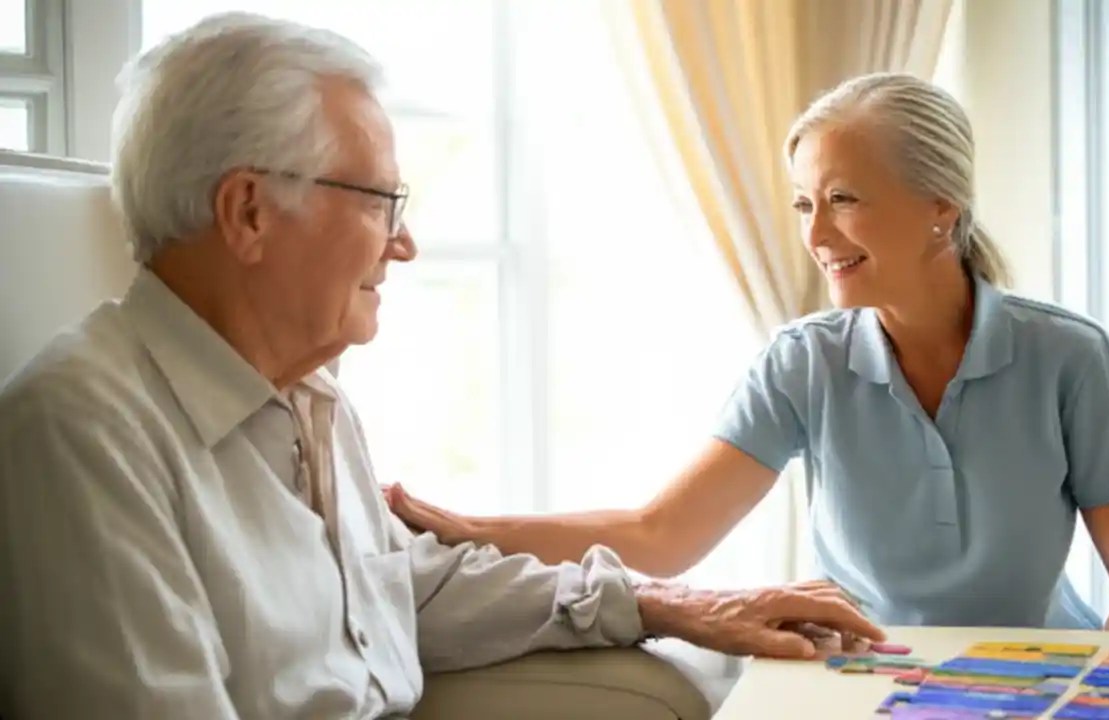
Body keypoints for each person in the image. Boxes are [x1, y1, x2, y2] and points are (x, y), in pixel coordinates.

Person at [0, 14, 881, 719]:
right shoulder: (82, 430)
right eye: (381, 201)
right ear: (250, 212)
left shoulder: (313, 403)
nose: (406, 244)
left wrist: (666, 605)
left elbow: (394, 590)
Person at [387, 72, 1109, 633]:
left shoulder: (1069, 357)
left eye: (843, 200)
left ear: (941, 208)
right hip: (869, 681)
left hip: (1041, 678)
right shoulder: (804, 362)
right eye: (805, 202)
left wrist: (1098, 702)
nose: (814, 235)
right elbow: (661, 534)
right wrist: (470, 526)